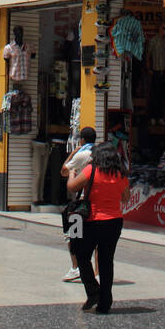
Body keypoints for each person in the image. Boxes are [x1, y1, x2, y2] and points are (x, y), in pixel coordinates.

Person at [66, 139, 129, 315]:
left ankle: (93, 291)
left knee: (82, 255)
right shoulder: (121, 174)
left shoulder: (91, 170)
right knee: (106, 261)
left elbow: (72, 187)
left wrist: (71, 173)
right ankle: (105, 302)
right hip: (114, 221)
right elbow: (125, 197)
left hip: (92, 221)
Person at [60, 126, 96, 282]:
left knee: (73, 234)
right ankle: (97, 272)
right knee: (95, 240)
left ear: (82, 139)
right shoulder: (100, 153)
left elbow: (64, 171)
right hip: (96, 201)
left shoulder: (82, 155)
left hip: (81, 204)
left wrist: (73, 153)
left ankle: (75, 268)